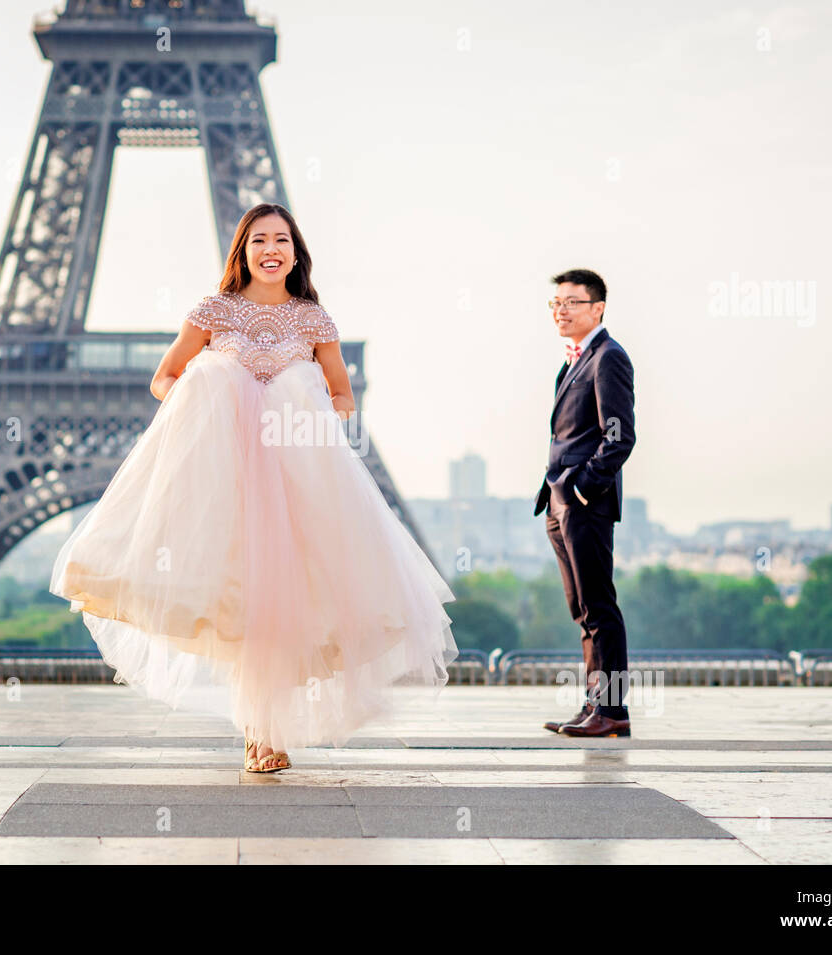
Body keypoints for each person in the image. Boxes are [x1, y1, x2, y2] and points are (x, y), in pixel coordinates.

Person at [50, 203, 459, 772]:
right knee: (237, 599)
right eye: (260, 239)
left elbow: (343, 396)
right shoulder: (213, 312)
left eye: (283, 240)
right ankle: (258, 733)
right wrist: (209, 398)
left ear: (296, 253)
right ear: (242, 250)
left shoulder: (313, 320)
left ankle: (269, 732)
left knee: (293, 601)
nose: (272, 249)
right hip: (224, 476)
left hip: (299, 476)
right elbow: (164, 378)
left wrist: (307, 406)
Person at [533, 268, 636, 738]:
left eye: (572, 302)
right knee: (583, 610)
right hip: (561, 502)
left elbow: (618, 437)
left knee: (599, 607)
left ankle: (612, 710)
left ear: (598, 308)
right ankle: (596, 705)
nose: (562, 310)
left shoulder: (608, 358)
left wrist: (579, 489)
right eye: (557, 302)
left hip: (583, 503)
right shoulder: (576, 360)